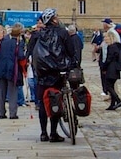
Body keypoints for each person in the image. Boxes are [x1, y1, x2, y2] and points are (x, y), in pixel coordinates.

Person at [28, 9, 84, 143]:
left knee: (43, 102)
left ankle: (43, 133)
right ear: (53, 20)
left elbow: (30, 52)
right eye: (56, 16)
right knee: (56, 99)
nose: (57, 18)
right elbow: (71, 52)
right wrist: (73, 64)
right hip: (59, 72)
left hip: (42, 73)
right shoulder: (62, 33)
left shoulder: (37, 35)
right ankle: (53, 133)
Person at [0, 25, 25, 117]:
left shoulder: (4, 42)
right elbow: (21, 56)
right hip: (12, 69)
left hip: (1, 68)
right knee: (12, 91)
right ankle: (13, 113)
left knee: (1, 91)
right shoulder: (18, 43)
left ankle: (1, 113)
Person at [97, 26, 121, 110]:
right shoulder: (116, 46)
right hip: (114, 69)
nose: (105, 39)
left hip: (111, 69)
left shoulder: (111, 47)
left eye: (106, 37)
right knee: (111, 86)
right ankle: (112, 104)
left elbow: (109, 59)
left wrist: (103, 67)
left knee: (108, 86)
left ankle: (118, 100)